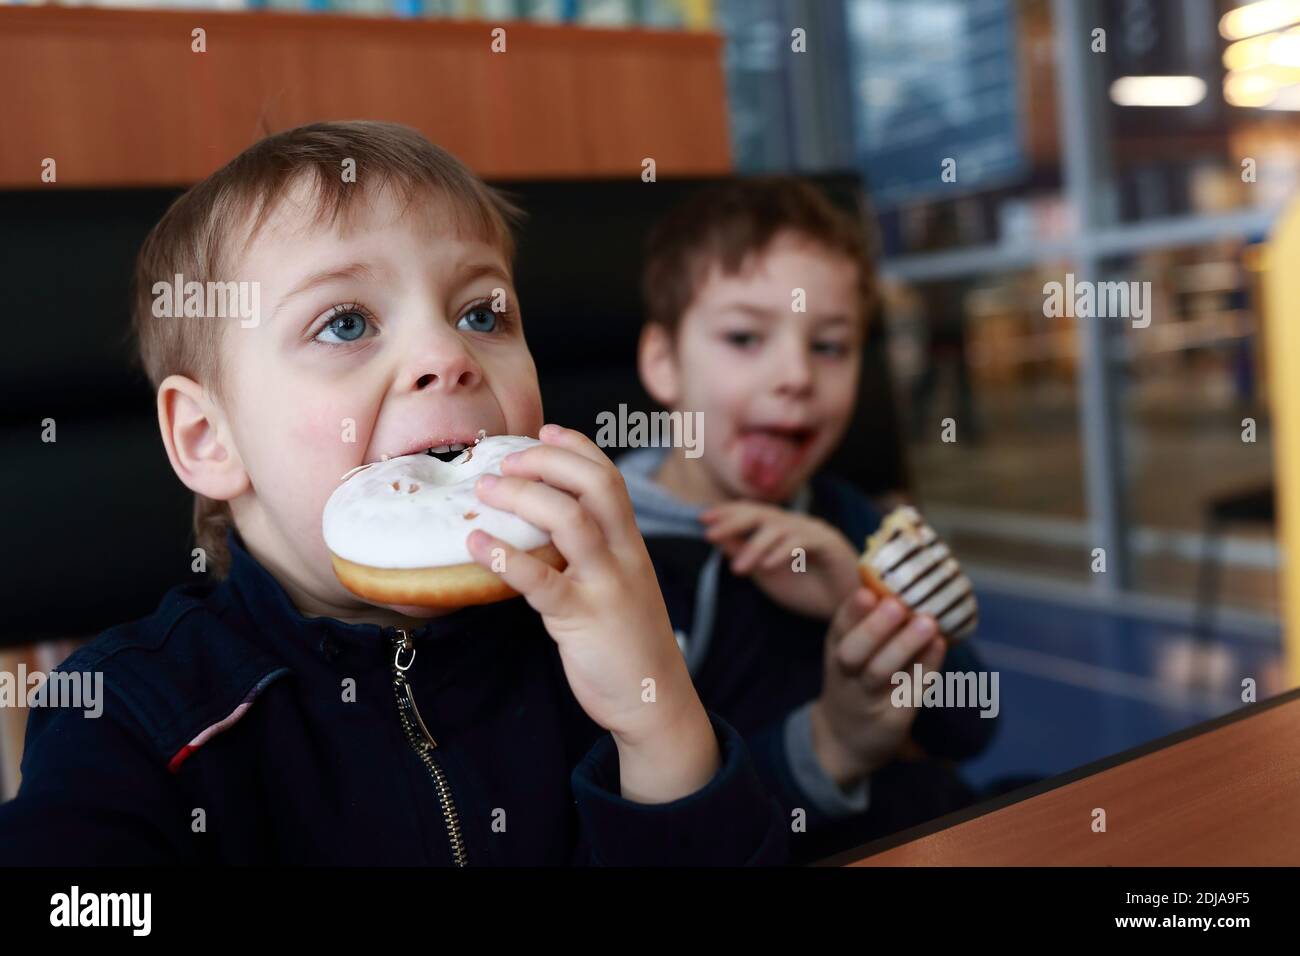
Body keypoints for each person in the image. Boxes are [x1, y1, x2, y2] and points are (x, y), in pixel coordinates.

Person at [0, 122, 786, 866]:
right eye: (345, 323)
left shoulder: (596, 637)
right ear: (210, 439)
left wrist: (656, 718)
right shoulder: (128, 713)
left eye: (482, 313)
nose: (447, 355)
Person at [619, 178, 998, 863]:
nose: (795, 375)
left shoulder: (847, 515)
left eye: (829, 346)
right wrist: (832, 744)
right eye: (744, 336)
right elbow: (657, 833)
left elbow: (972, 726)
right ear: (662, 362)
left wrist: (856, 598)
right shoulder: (610, 559)